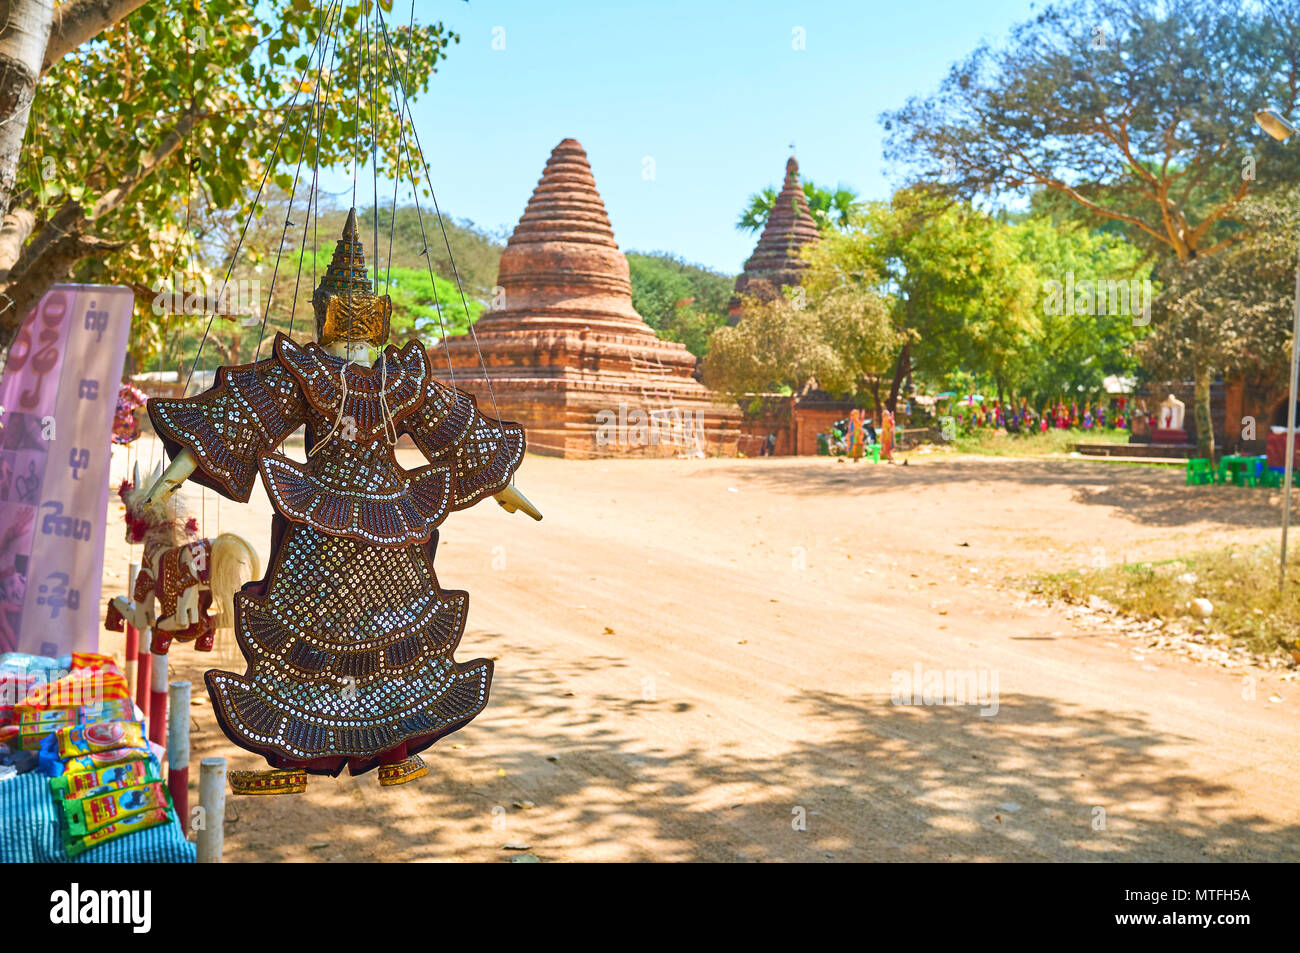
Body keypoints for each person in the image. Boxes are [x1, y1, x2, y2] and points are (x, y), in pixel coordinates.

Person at [143, 211, 540, 794]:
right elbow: (244, 415)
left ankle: (371, 753)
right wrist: (175, 471)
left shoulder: (393, 379)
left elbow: (452, 429)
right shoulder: (317, 375)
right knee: (335, 635)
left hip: (363, 523)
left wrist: (501, 482)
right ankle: (327, 759)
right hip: (354, 520)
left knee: (371, 637)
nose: (354, 334)